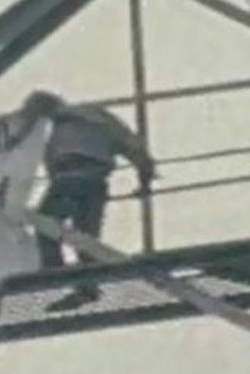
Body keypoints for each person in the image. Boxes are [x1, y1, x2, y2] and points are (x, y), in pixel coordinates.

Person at [22, 90, 156, 309]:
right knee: (84, 237)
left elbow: (127, 143)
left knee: (48, 228)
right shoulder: (69, 125)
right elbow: (129, 144)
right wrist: (145, 176)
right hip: (91, 181)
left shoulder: (74, 120)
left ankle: (58, 275)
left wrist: (145, 174)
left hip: (73, 179)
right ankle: (85, 286)